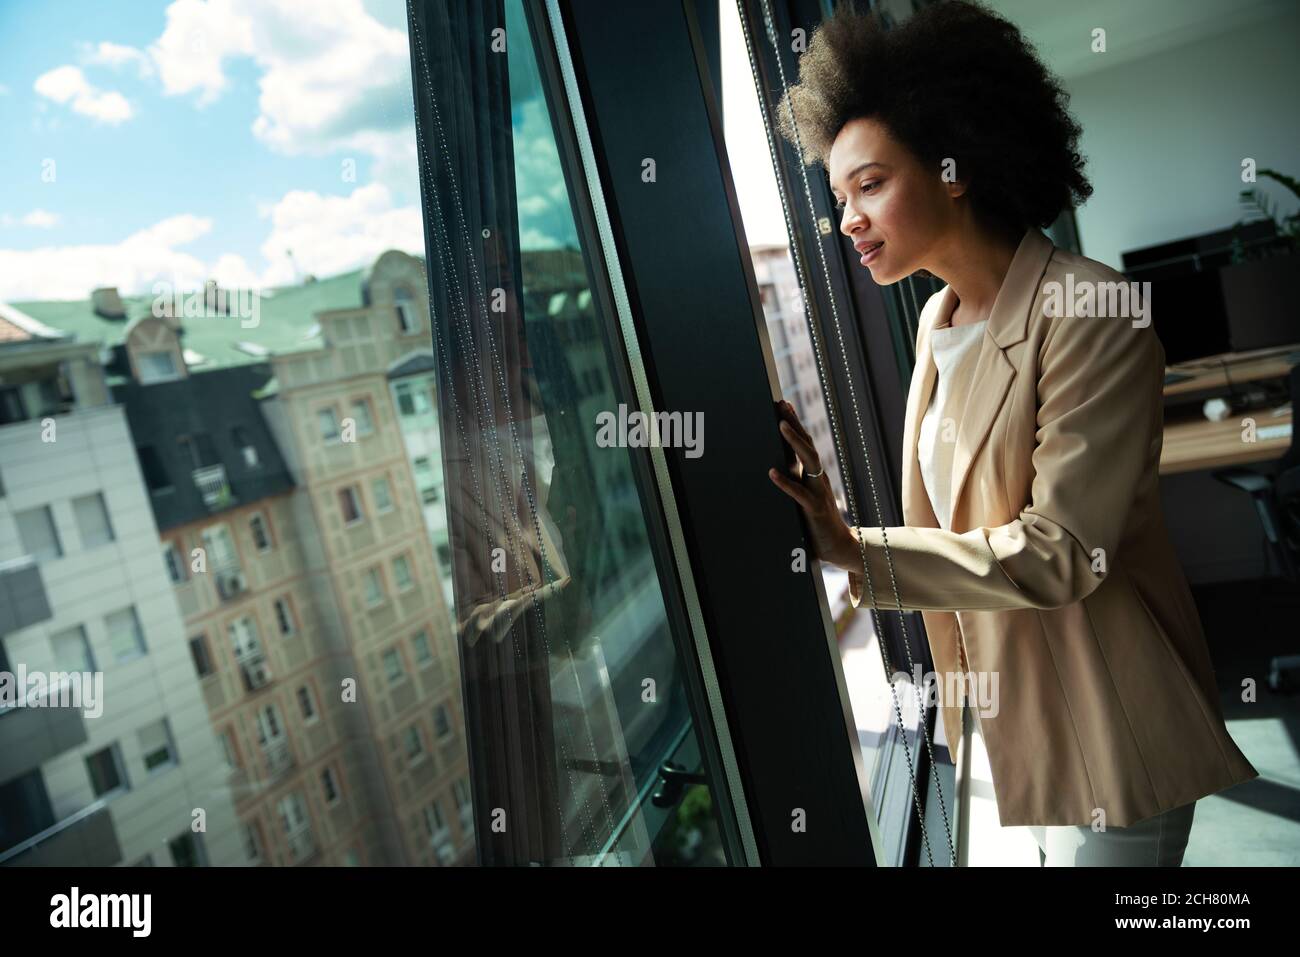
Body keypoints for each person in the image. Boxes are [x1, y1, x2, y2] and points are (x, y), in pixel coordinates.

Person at [766, 0, 1256, 866]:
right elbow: (956, 518)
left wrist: (852, 548)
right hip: (1001, 729)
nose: (847, 219)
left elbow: (1063, 549)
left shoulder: (1091, 309)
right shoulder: (934, 324)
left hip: (1107, 729)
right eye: (840, 196)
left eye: (870, 185)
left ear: (954, 167)